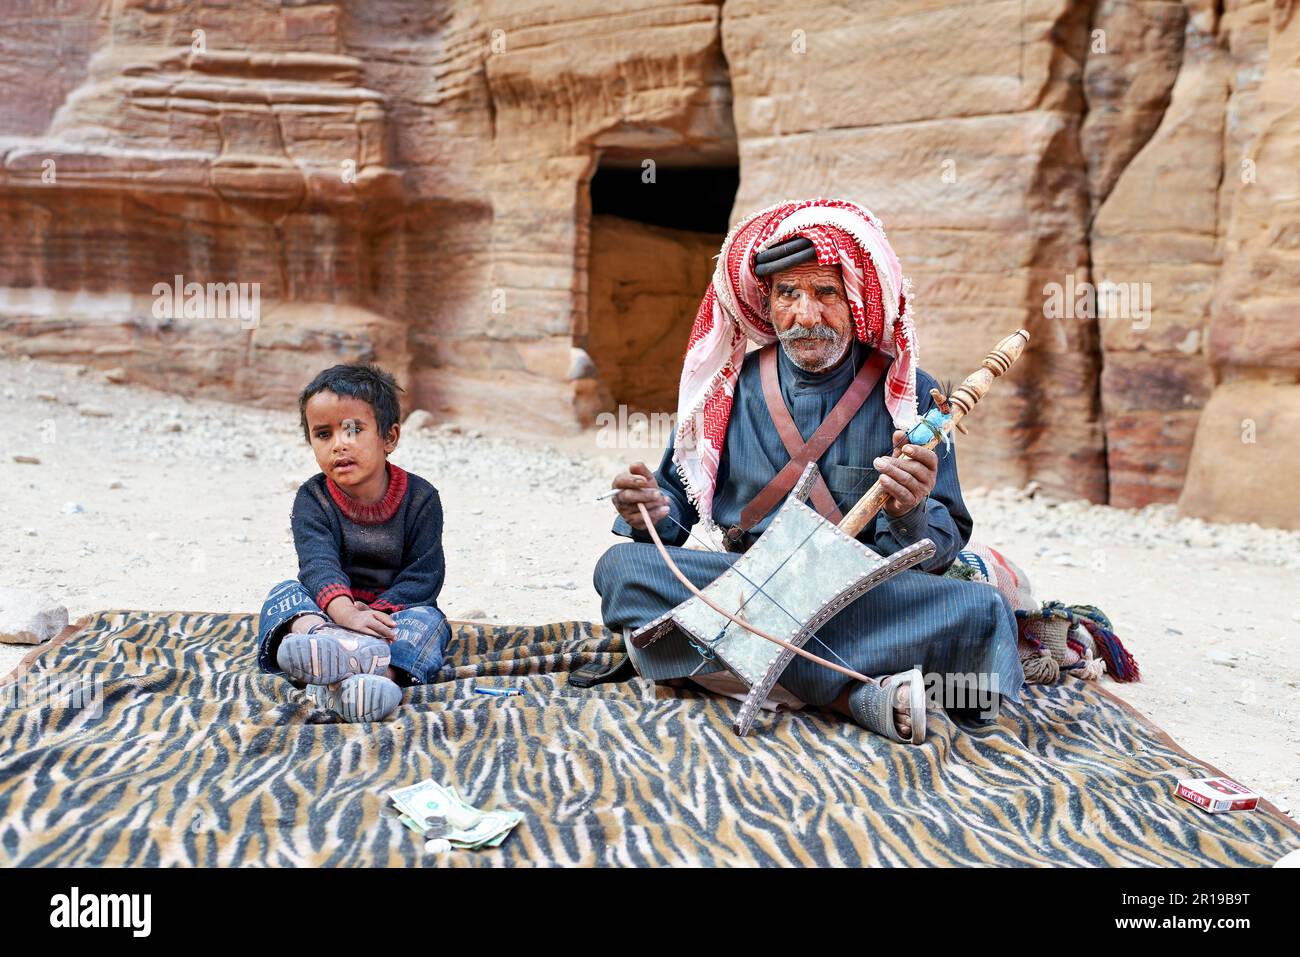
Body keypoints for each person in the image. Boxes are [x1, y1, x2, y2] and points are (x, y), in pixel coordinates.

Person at [593, 198, 1023, 743]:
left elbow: (943, 547)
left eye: (826, 293)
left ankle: (714, 662)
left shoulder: (911, 396)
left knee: (977, 611)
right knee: (623, 570)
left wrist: (911, 512)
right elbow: (677, 513)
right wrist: (649, 511)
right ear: (766, 303)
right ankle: (849, 694)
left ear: (857, 300)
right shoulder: (731, 386)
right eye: (787, 294)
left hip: (859, 596)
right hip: (746, 584)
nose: (806, 316)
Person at [255, 362, 450, 722]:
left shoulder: (421, 499)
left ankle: (375, 679)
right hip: (328, 616)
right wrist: (343, 613)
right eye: (323, 434)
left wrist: (377, 617)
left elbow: (423, 576)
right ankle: (321, 650)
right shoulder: (313, 499)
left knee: (431, 621)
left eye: (353, 430)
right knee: (283, 594)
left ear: (389, 437)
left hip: (390, 620)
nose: (339, 445)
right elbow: (318, 564)